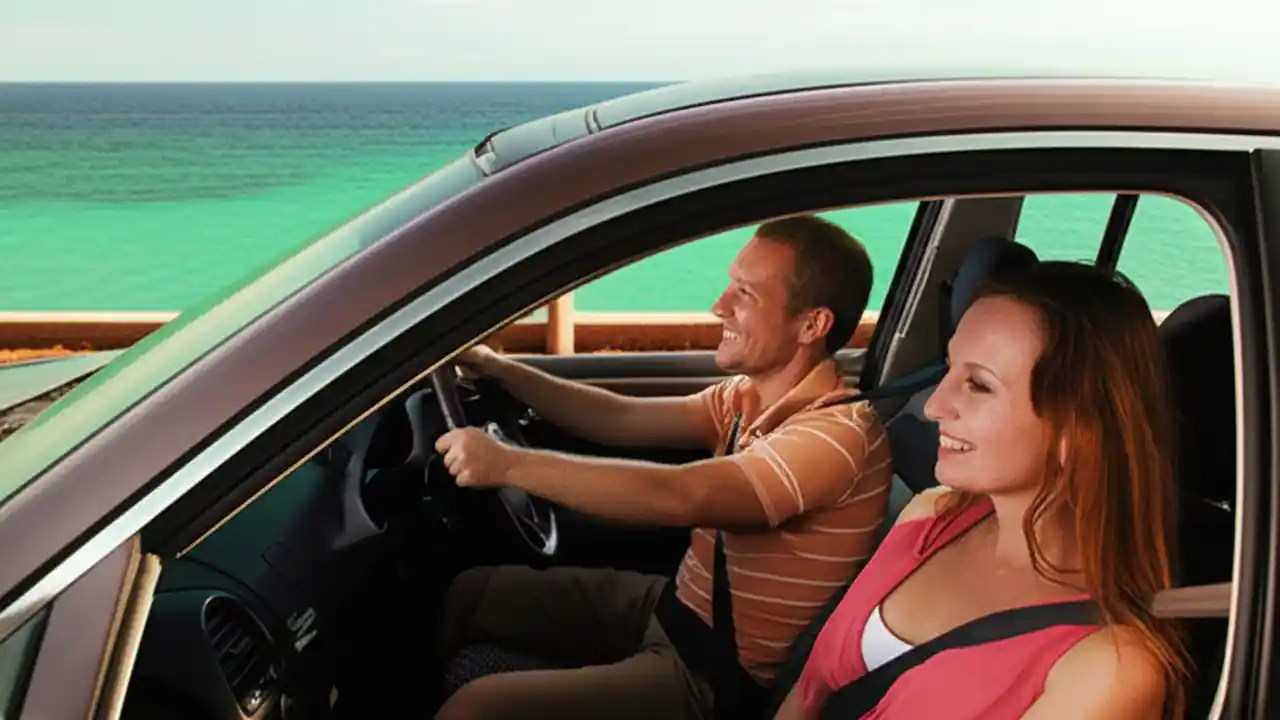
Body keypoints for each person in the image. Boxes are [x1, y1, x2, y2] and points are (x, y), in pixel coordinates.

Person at [431, 215, 894, 720]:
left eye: (745, 294)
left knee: (475, 708)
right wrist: (500, 368)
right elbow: (619, 419)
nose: (719, 306)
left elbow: (680, 496)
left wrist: (508, 465)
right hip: (678, 611)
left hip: (714, 675)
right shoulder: (747, 398)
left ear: (812, 325)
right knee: (472, 596)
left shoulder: (834, 436)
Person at [776, 261, 1187, 720]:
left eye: (978, 385)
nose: (934, 405)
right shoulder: (930, 517)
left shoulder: (1106, 672)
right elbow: (809, 693)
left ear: (1077, 429)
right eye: (949, 368)